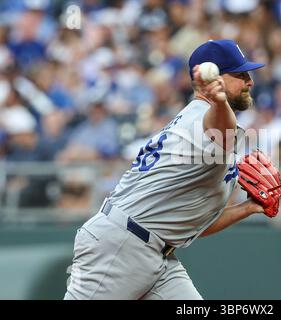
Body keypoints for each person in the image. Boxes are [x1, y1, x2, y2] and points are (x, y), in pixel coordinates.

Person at [64, 39, 267, 300]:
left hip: (155, 251)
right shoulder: (203, 121)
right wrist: (218, 100)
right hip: (121, 246)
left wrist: (247, 208)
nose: (249, 81)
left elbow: (192, 224)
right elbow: (222, 130)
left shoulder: (206, 120)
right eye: (240, 74)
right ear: (213, 79)